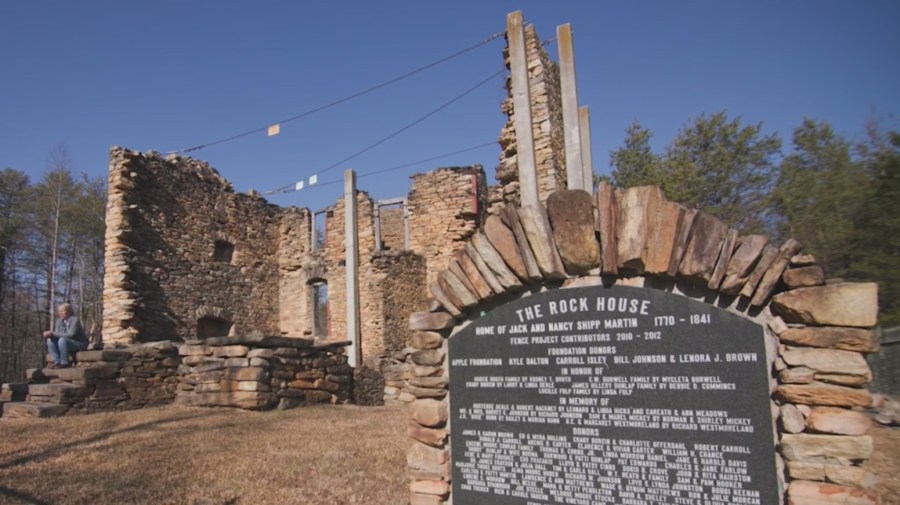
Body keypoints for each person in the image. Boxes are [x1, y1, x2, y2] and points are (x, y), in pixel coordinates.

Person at [42, 303, 88, 368]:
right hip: (64, 342)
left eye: (62, 311)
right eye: (59, 311)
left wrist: (53, 333)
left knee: (62, 340)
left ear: (69, 311)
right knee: (50, 341)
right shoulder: (59, 321)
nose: (60, 313)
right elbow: (57, 334)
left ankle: (65, 363)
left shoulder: (75, 320)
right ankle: (57, 362)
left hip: (79, 343)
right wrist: (50, 335)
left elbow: (71, 334)